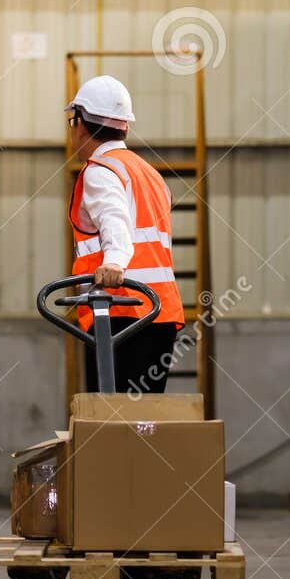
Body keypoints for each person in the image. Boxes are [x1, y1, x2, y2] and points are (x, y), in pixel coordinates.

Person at [65, 75, 185, 393]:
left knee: (109, 415)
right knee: (142, 414)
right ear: (125, 127)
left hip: (120, 315)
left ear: (80, 124)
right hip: (159, 313)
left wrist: (115, 262)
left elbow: (114, 220)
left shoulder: (101, 171)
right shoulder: (149, 174)